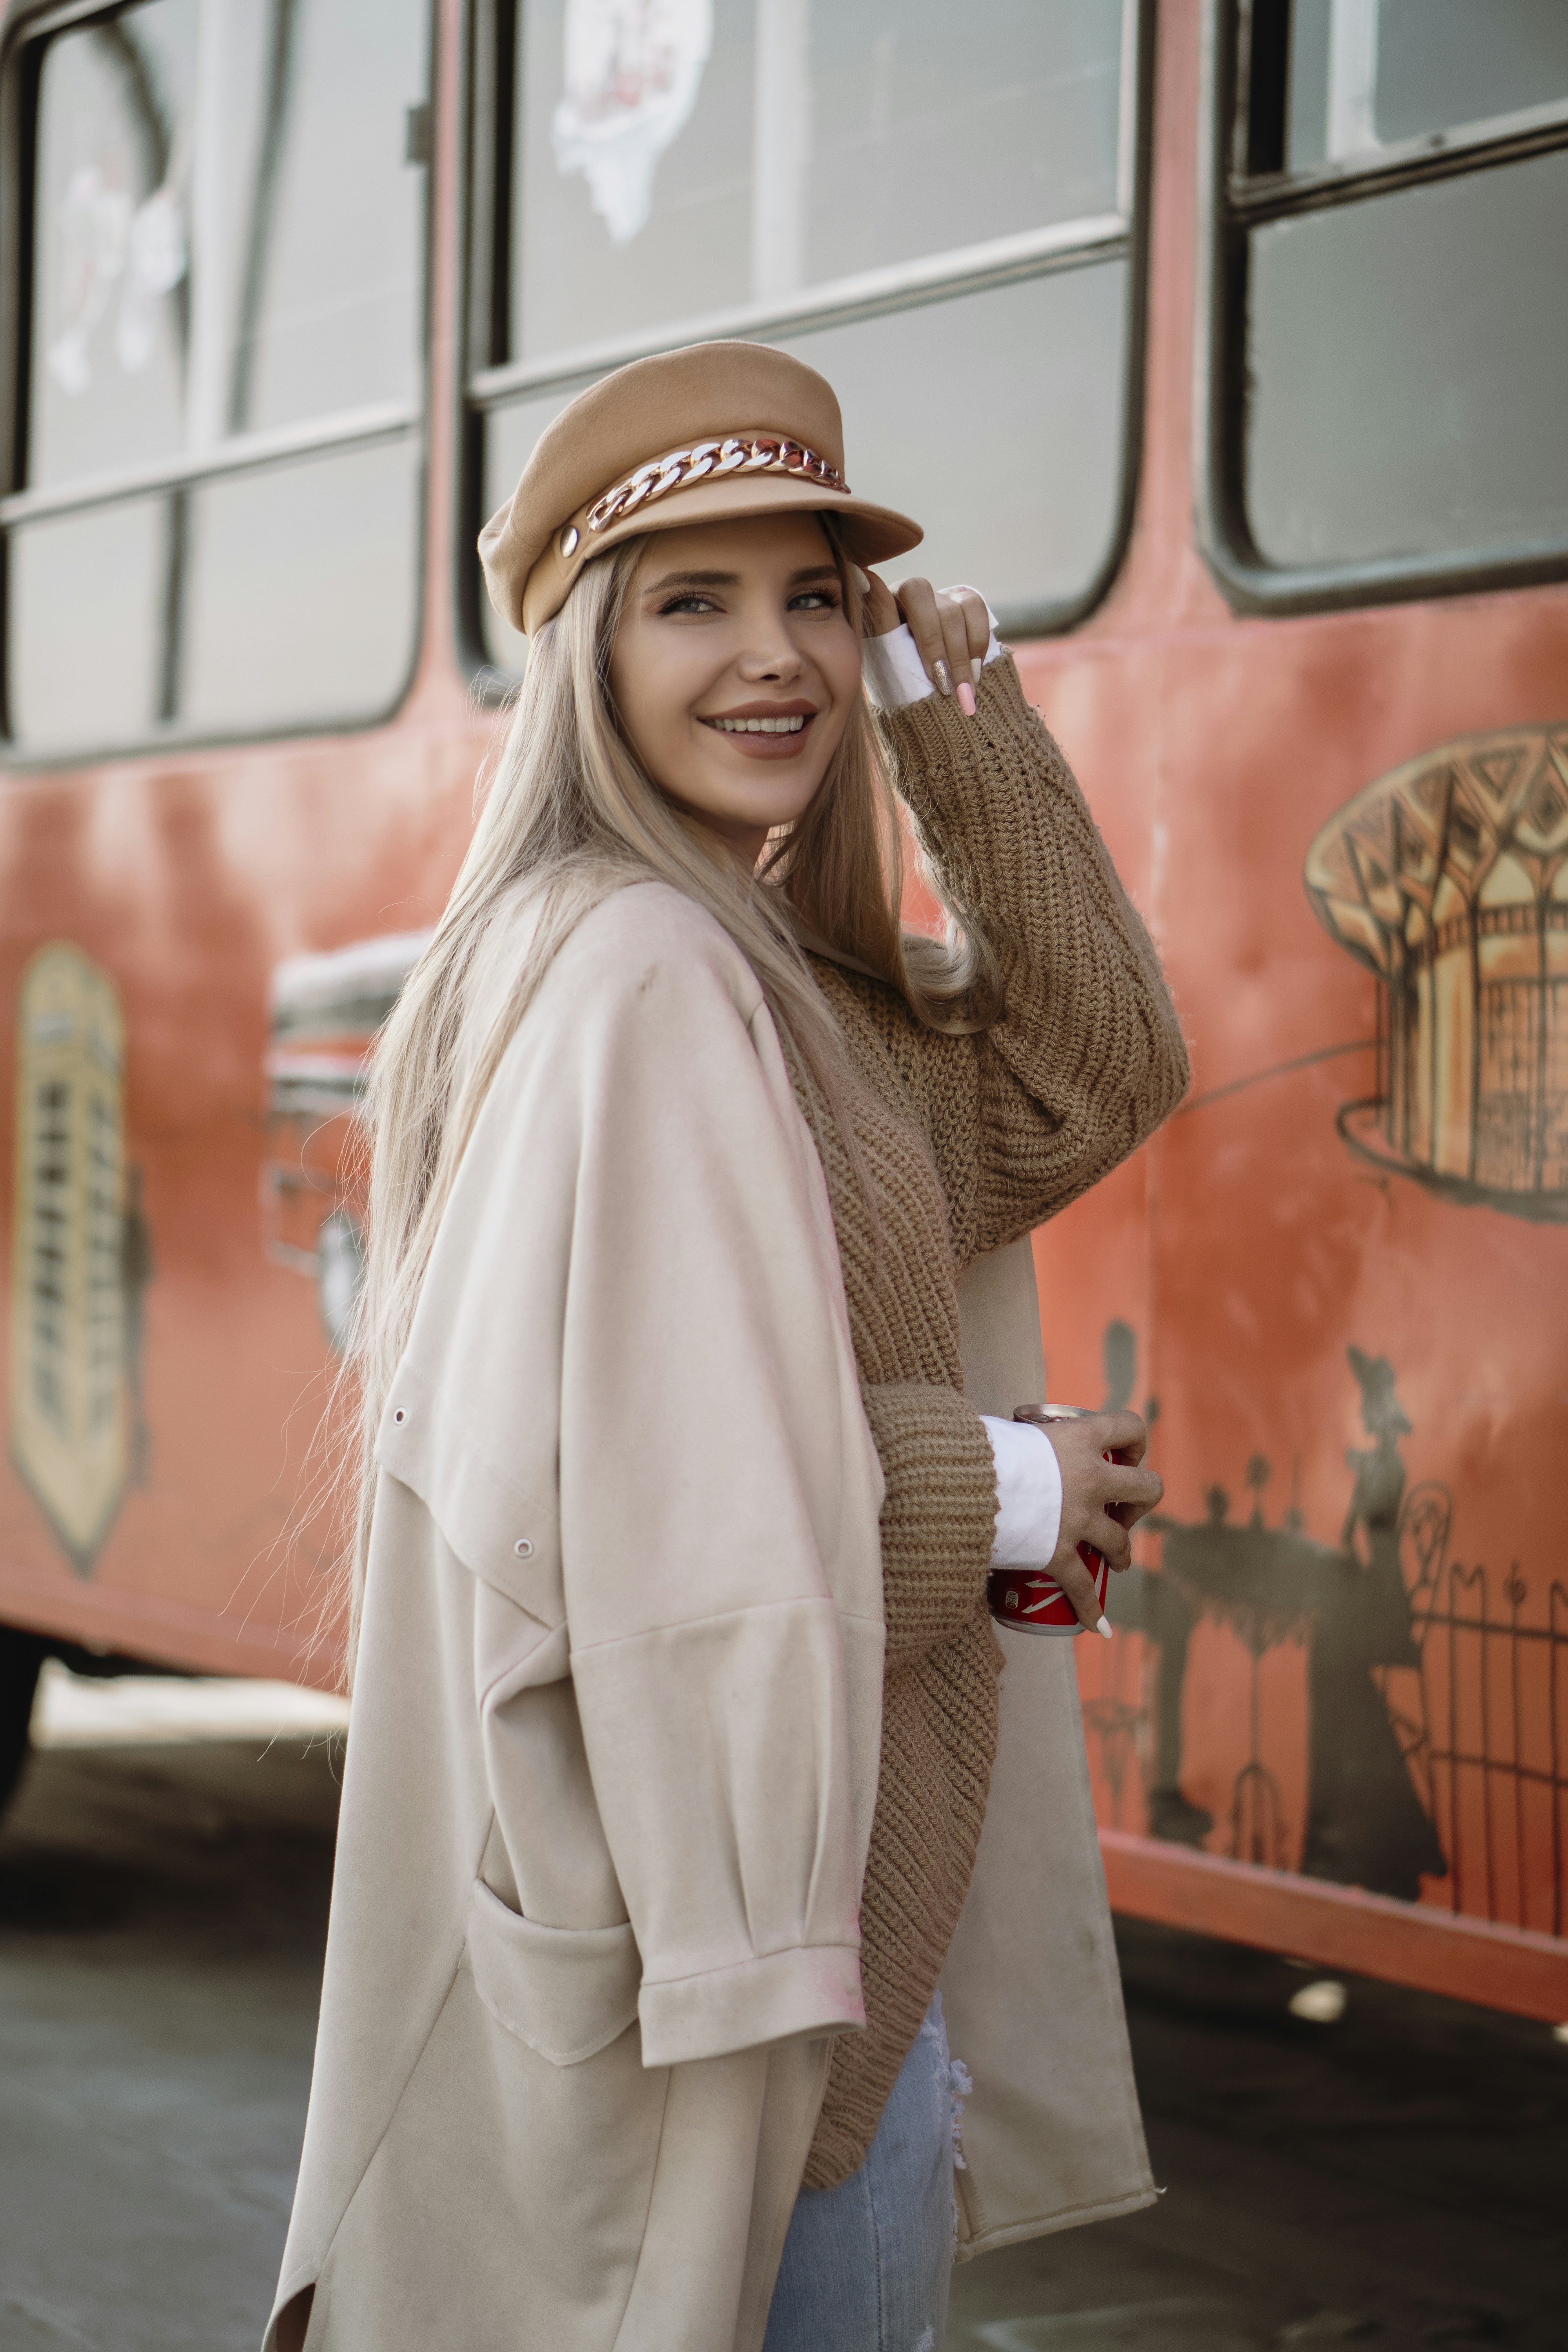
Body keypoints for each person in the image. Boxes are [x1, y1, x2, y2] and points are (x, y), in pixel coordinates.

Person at [265, 341, 1189, 2352]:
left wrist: (958, 724)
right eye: (694, 599)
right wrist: (1005, 1481)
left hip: (795, 1910)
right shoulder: (650, 973)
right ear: (588, 650)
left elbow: (1100, 1072)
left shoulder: (744, 965)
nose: (773, 657)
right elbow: (654, 1525)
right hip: (765, 1961)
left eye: (818, 602)